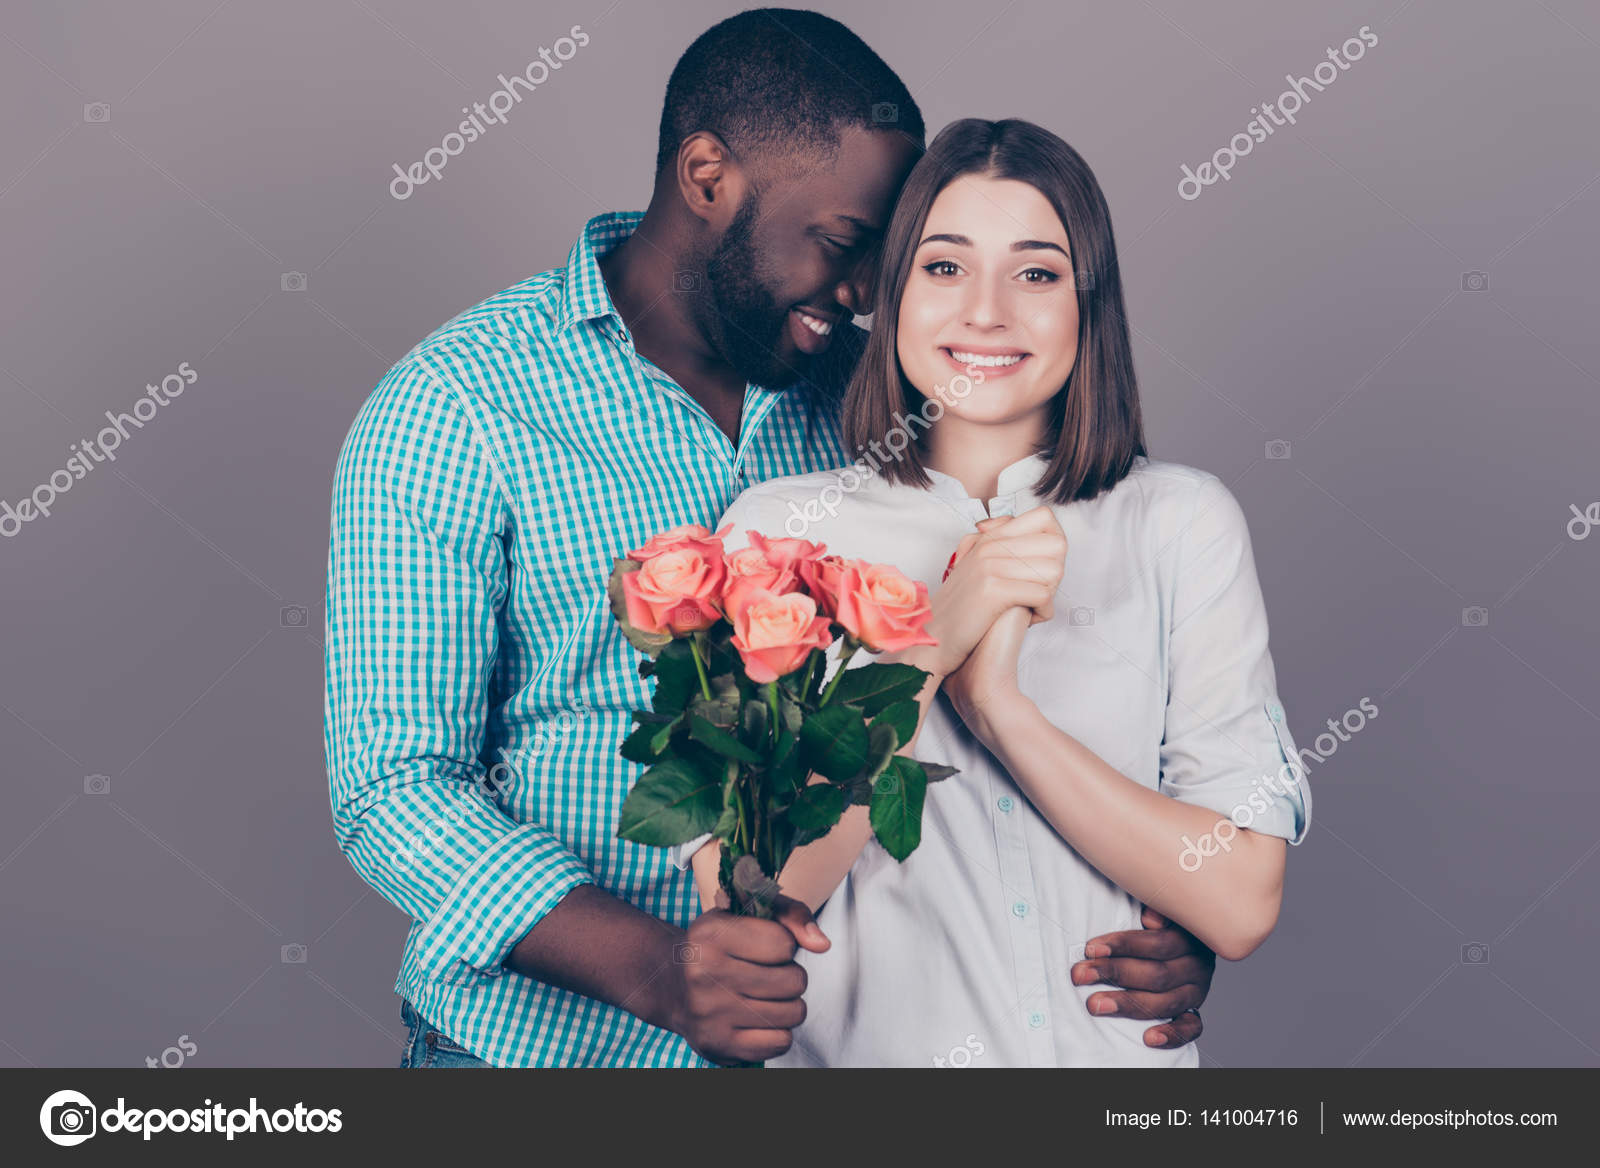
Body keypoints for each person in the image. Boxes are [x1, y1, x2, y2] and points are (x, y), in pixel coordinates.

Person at [325, 9, 1217, 1069]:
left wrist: (1165, 909)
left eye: (883, 266)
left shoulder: (879, 396)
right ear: (708, 176)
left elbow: (990, 706)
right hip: (539, 1059)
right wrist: (659, 969)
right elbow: (393, 786)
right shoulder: (456, 407)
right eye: (843, 247)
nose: (859, 298)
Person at [681, 117, 1312, 1066]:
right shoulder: (782, 532)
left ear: (1086, 305)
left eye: (1036, 272)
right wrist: (939, 637)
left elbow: (1236, 901)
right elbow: (757, 897)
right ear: (892, 296)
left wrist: (1003, 711)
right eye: (943, 267)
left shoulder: (1181, 523)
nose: (985, 312)